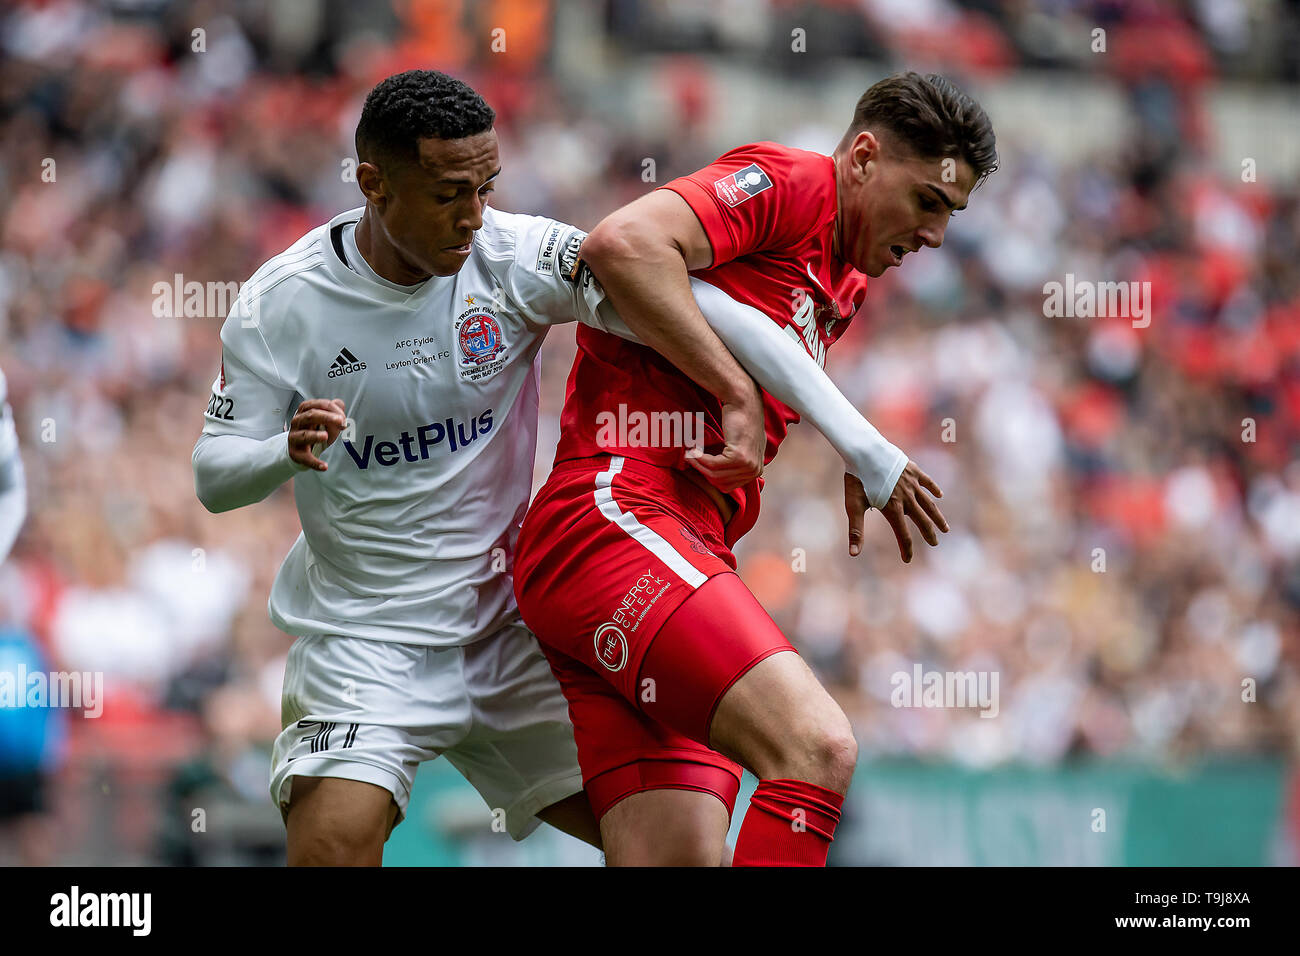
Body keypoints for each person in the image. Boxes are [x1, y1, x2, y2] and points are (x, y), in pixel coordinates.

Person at [191, 69, 775, 866]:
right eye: (447, 194)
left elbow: (668, 292)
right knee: (329, 852)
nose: (472, 217)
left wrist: (801, 415)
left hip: (515, 630)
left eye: (486, 187)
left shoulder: (512, 255)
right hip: (368, 643)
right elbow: (214, 476)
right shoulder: (280, 303)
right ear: (374, 185)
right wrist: (279, 451)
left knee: (677, 852)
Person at [513, 72, 998, 865]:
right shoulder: (799, 183)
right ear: (865, 157)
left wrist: (841, 439)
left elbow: (740, 328)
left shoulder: (846, 278)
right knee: (816, 748)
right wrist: (735, 389)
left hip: (669, 546)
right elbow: (622, 244)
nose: (937, 236)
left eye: (952, 214)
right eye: (929, 202)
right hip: (614, 514)